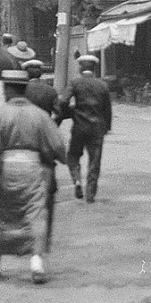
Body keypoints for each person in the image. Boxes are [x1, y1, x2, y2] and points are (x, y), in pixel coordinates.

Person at [0, 67, 67, 283]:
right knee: (35, 213)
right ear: (24, 89)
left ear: (7, 90)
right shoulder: (40, 115)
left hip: (6, 170)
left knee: (5, 216)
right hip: (34, 170)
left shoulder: (0, 115)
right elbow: (56, 145)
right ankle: (36, 261)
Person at [59, 53, 112, 203]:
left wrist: (71, 112)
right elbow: (107, 109)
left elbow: (63, 101)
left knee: (73, 156)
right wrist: (106, 127)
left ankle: (76, 180)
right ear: (94, 68)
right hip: (97, 128)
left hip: (79, 127)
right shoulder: (102, 85)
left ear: (80, 68)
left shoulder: (75, 83)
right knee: (94, 161)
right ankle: (90, 195)